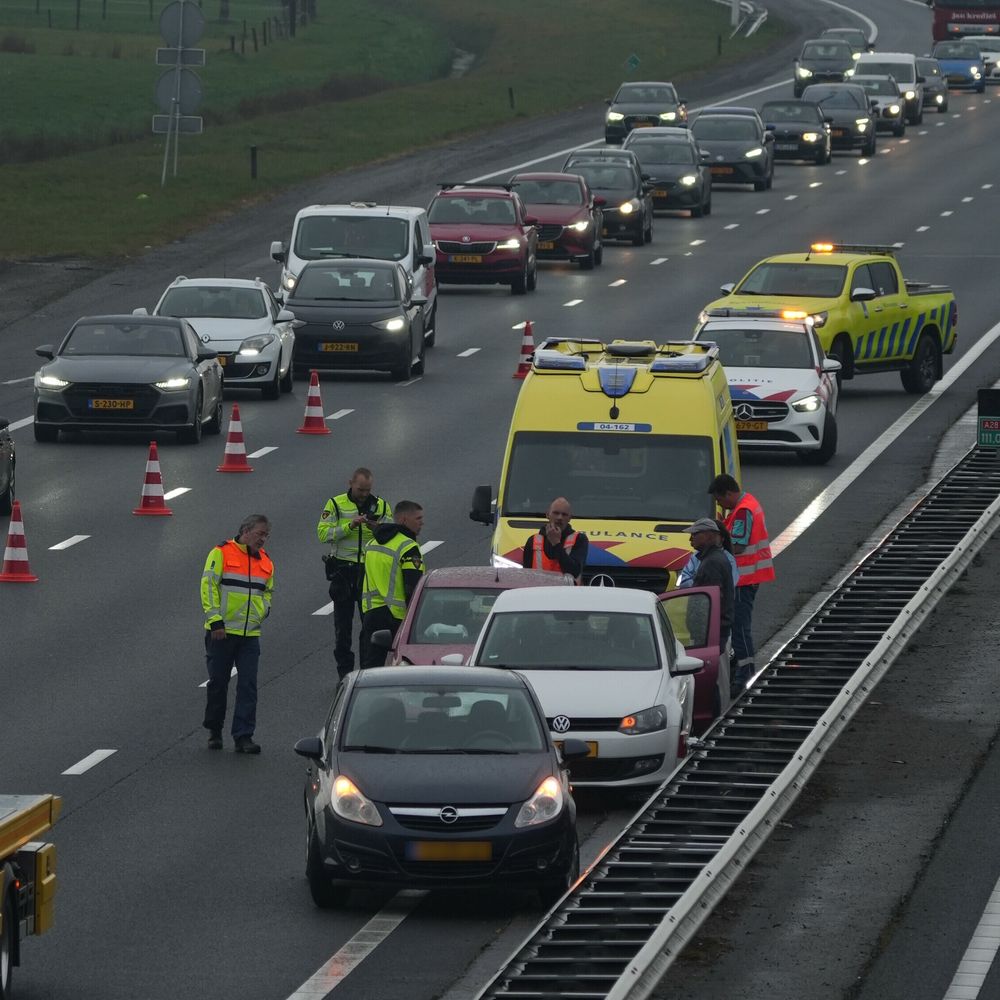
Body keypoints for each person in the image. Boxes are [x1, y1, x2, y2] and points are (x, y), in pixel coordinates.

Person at [200, 514, 274, 754]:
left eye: (266, 535)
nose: (263, 539)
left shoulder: (266, 562)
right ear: (245, 530)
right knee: (219, 683)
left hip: (250, 635)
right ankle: (214, 730)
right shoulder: (221, 552)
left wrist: (263, 612)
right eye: (260, 533)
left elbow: (267, 593)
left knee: (248, 685)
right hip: (222, 633)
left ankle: (243, 735)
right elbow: (208, 586)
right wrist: (215, 621)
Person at [317, 468, 391, 679]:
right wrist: (350, 525)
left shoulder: (381, 505)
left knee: (369, 623)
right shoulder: (335, 504)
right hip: (343, 571)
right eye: (360, 489)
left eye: (368, 490)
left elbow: (390, 534)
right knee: (343, 628)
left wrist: (376, 526)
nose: (364, 494)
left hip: (368, 571)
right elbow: (323, 534)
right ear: (350, 483)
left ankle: (366, 673)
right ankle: (345, 675)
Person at [708, 474, 775, 695]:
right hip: (744, 579)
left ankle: (745, 675)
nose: (719, 504)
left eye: (719, 499)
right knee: (738, 628)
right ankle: (742, 669)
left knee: (739, 628)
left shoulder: (743, 511)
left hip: (743, 580)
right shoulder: (745, 506)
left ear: (728, 493)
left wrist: (715, 550)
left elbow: (737, 545)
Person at [359, 500, 426, 668]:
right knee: (404, 666)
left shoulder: (371, 544)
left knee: (371, 667)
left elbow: (362, 580)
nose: (422, 523)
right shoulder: (408, 547)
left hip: (371, 613)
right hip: (397, 617)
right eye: (418, 518)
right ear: (404, 520)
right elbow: (413, 587)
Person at [680, 517, 735, 652]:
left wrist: (701, 630)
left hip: (709, 632)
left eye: (694, 534)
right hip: (712, 630)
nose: (690, 539)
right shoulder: (711, 558)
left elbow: (707, 601)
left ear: (708, 535)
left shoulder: (712, 563)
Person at [522, 497, 590, 582]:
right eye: (556, 513)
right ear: (547, 515)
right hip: (539, 593)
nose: (560, 517)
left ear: (569, 518)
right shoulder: (532, 541)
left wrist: (556, 543)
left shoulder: (579, 539)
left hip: (567, 594)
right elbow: (526, 575)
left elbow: (574, 572)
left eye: (564, 514)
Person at [677, 518, 739, 590]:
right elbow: (684, 581)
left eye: (694, 534)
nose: (690, 539)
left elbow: (711, 590)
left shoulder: (717, 560)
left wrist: (694, 584)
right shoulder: (696, 556)